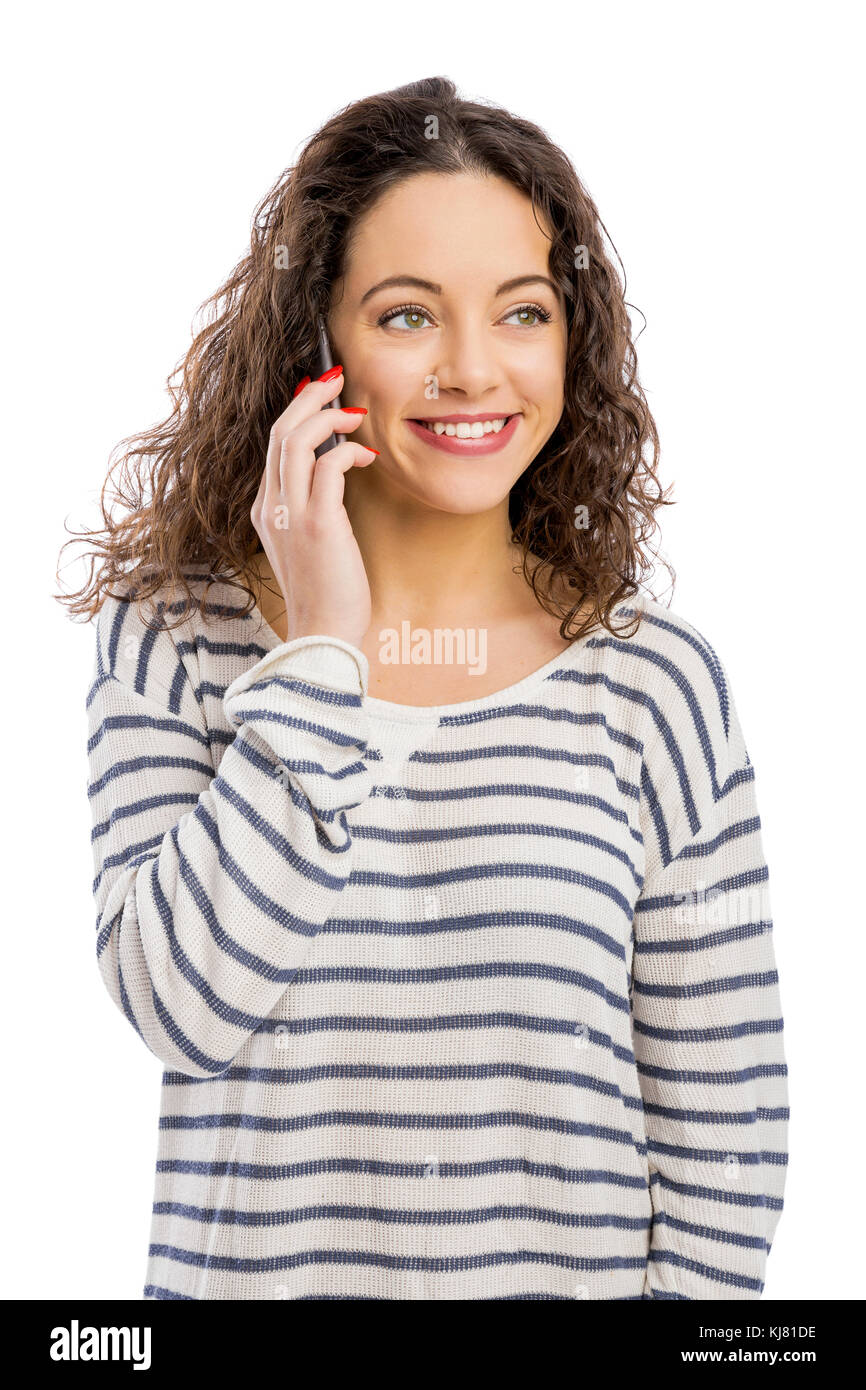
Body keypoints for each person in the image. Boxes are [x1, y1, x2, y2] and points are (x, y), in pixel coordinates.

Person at [64, 75, 788, 1300]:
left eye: (521, 312)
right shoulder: (175, 638)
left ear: (572, 339)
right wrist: (322, 656)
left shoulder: (654, 685)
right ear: (317, 344)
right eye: (407, 317)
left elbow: (724, 1137)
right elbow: (181, 1006)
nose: (471, 369)